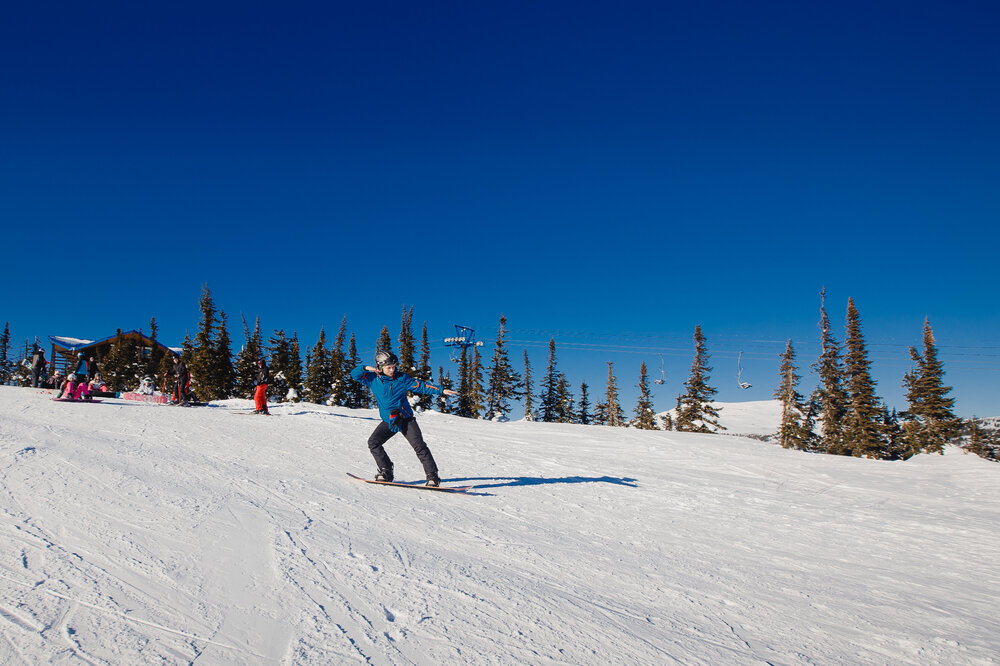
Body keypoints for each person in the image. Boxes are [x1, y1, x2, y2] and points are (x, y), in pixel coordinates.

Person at [350, 351, 458, 487]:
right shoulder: (373, 379)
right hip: (389, 421)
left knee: (420, 447)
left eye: (393, 366)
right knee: (374, 443)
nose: (392, 370)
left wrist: (441, 390)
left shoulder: (402, 379)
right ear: (380, 366)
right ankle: (386, 471)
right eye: (388, 367)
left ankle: (433, 477)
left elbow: (421, 386)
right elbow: (354, 374)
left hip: (405, 420)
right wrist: (365, 368)